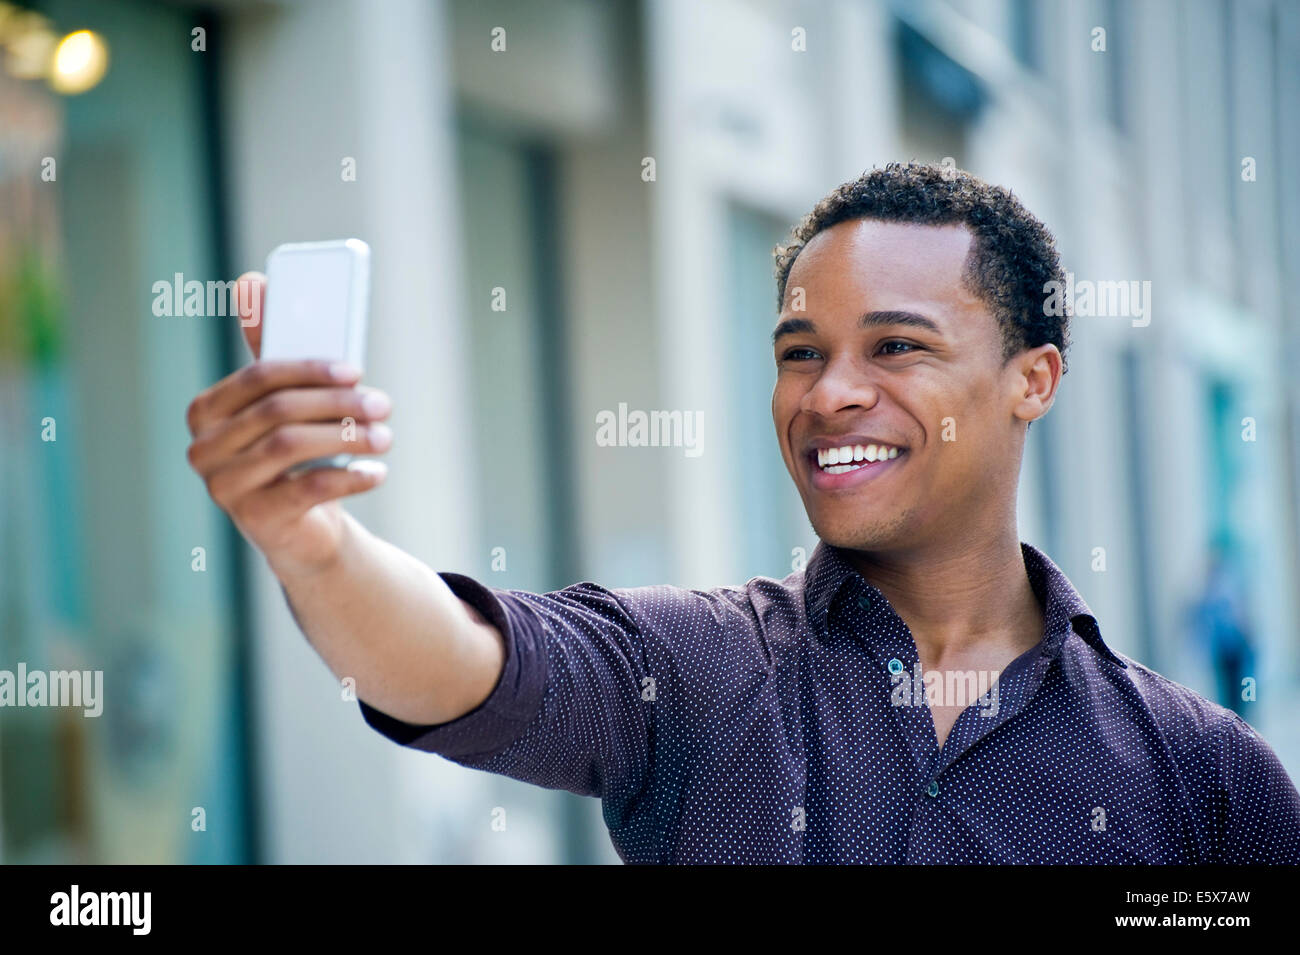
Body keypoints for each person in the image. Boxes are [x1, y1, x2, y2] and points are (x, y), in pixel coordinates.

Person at [185, 161, 1300, 863]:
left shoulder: (1203, 777)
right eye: (799, 354)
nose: (830, 393)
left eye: (896, 347)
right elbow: (465, 660)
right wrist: (314, 544)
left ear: (1032, 381)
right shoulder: (694, 668)